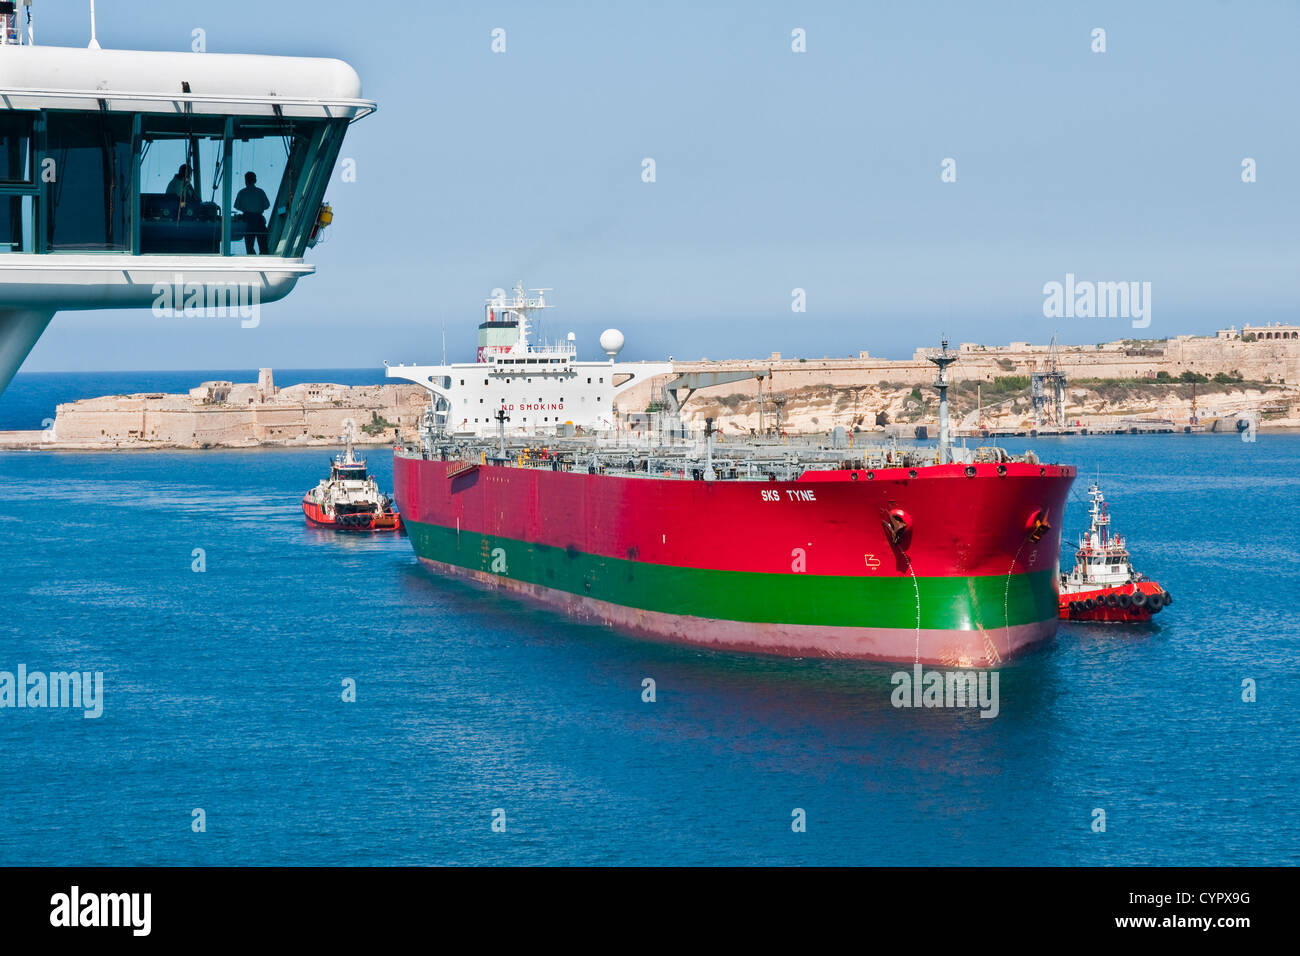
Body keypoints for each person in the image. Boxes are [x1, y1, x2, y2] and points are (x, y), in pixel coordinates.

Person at [234, 171, 271, 254]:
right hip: (259, 218)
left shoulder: (242, 192)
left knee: (249, 246)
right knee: (263, 245)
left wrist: (247, 209)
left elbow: (237, 206)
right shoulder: (260, 192)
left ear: (246, 180)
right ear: (255, 180)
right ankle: (264, 261)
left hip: (248, 219)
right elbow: (267, 205)